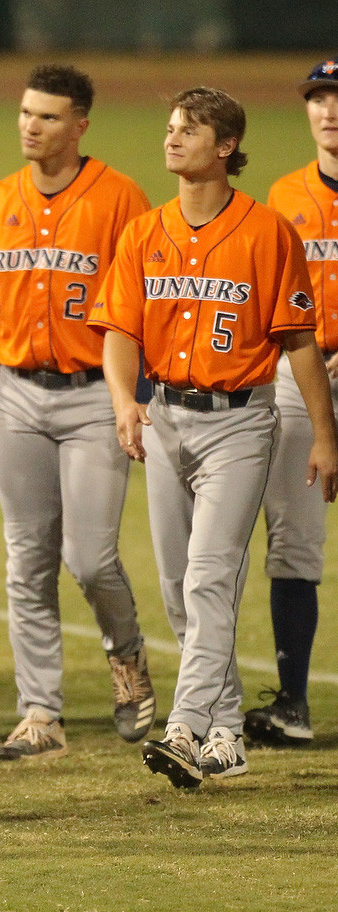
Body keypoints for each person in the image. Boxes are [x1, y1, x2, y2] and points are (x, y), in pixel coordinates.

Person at [92, 86, 338, 788]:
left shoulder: (268, 233)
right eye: (170, 128)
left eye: (188, 131)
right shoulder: (144, 231)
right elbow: (119, 333)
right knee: (178, 584)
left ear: (225, 146)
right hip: (165, 417)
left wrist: (324, 436)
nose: (171, 140)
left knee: (209, 574)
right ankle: (226, 730)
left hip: (240, 421)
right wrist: (123, 401)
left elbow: (298, 345)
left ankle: (185, 727)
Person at [0, 64, 156, 761]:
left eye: (49, 116)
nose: (31, 125)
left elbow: (142, 311)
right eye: (26, 113)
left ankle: (127, 659)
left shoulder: (121, 200)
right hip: (22, 396)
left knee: (90, 560)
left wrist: (137, 400)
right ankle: (39, 713)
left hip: (96, 395)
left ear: (80, 125)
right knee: (25, 562)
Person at [245, 59, 338, 746]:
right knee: (295, 544)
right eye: (318, 99)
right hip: (299, 380)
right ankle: (293, 706)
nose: (329, 111)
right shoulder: (284, 194)